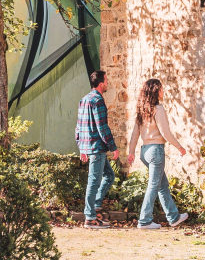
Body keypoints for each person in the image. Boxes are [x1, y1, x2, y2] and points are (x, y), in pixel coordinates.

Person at [125, 78, 190, 230]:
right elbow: (165, 133)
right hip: (156, 151)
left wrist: (131, 152)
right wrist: (179, 147)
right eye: (161, 89)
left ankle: (173, 217)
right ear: (155, 91)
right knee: (154, 185)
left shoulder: (142, 110)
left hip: (145, 151)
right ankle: (144, 220)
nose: (163, 92)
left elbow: (135, 133)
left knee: (162, 185)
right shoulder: (158, 109)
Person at [76, 69, 119, 228]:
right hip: (97, 148)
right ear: (101, 84)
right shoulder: (97, 101)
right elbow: (102, 127)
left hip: (89, 147)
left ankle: (95, 206)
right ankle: (90, 217)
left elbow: (79, 126)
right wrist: (113, 147)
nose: (107, 83)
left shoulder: (84, 99)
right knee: (94, 182)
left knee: (109, 176)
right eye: (106, 81)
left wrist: (81, 147)